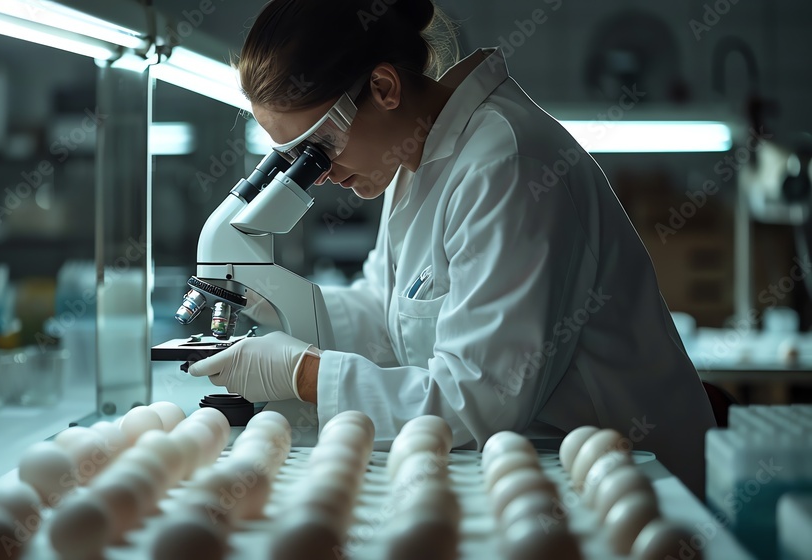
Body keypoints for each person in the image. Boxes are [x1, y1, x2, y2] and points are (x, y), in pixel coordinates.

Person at [188, 0, 716, 497]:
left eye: (320, 146)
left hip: (636, 482)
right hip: (545, 470)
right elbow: (390, 315)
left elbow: (479, 401)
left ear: (384, 88)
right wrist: (271, 302)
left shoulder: (507, 164)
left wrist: (303, 373)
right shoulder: (413, 161)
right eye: (296, 157)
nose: (318, 175)